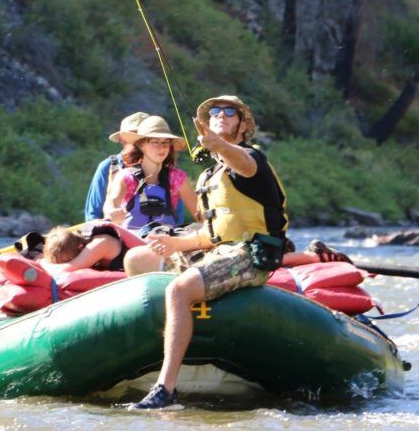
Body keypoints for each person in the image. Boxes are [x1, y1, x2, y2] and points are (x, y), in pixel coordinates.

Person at [123, 95, 288, 411]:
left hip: (251, 255)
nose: (221, 115)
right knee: (137, 259)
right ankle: (166, 344)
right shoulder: (209, 175)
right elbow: (211, 235)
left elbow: (241, 161)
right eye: (214, 112)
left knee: (178, 289)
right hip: (219, 250)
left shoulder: (250, 161)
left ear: (243, 125)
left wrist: (218, 144)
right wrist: (176, 245)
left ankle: (166, 389)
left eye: (230, 112)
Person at [103, 115, 199, 232]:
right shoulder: (125, 176)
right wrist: (112, 211)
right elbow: (112, 202)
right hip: (132, 240)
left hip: (166, 243)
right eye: (155, 142)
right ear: (141, 145)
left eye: (165, 142)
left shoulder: (177, 178)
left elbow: (199, 213)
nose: (162, 148)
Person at [83, 112, 149, 221]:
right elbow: (92, 217)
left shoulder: (166, 170)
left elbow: (177, 218)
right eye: (132, 137)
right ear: (121, 140)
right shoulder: (107, 167)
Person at [39, 224, 127, 275]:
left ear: (80, 247)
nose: (66, 263)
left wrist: (39, 262)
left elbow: (64, 270)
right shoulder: (79, 241)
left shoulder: (100, 243)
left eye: (68, 260)